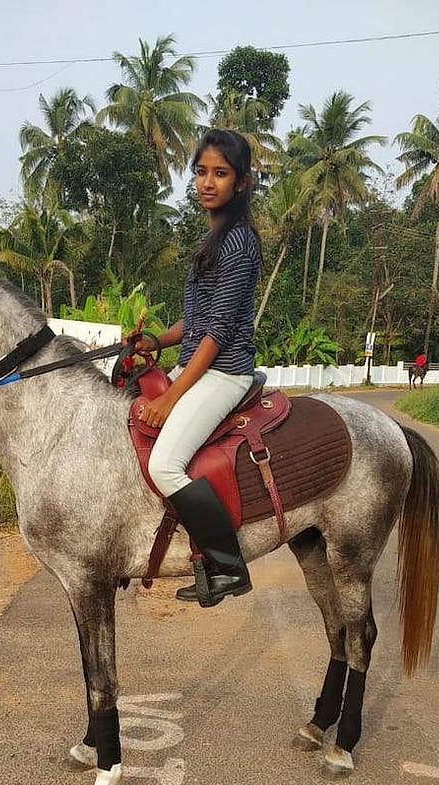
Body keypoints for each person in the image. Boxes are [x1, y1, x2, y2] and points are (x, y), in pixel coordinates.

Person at [135, 128, 261, 606]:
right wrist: (155, 340)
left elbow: (218, 333)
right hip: (201, 366)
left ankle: (228, 567)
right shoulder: (216, 236)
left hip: (224, 372)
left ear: (242, 182)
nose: (208, 182)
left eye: (221, 173)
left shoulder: (238, 242)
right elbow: (195, 320)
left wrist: (171, 397)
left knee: (165, 465)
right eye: (201, 172)